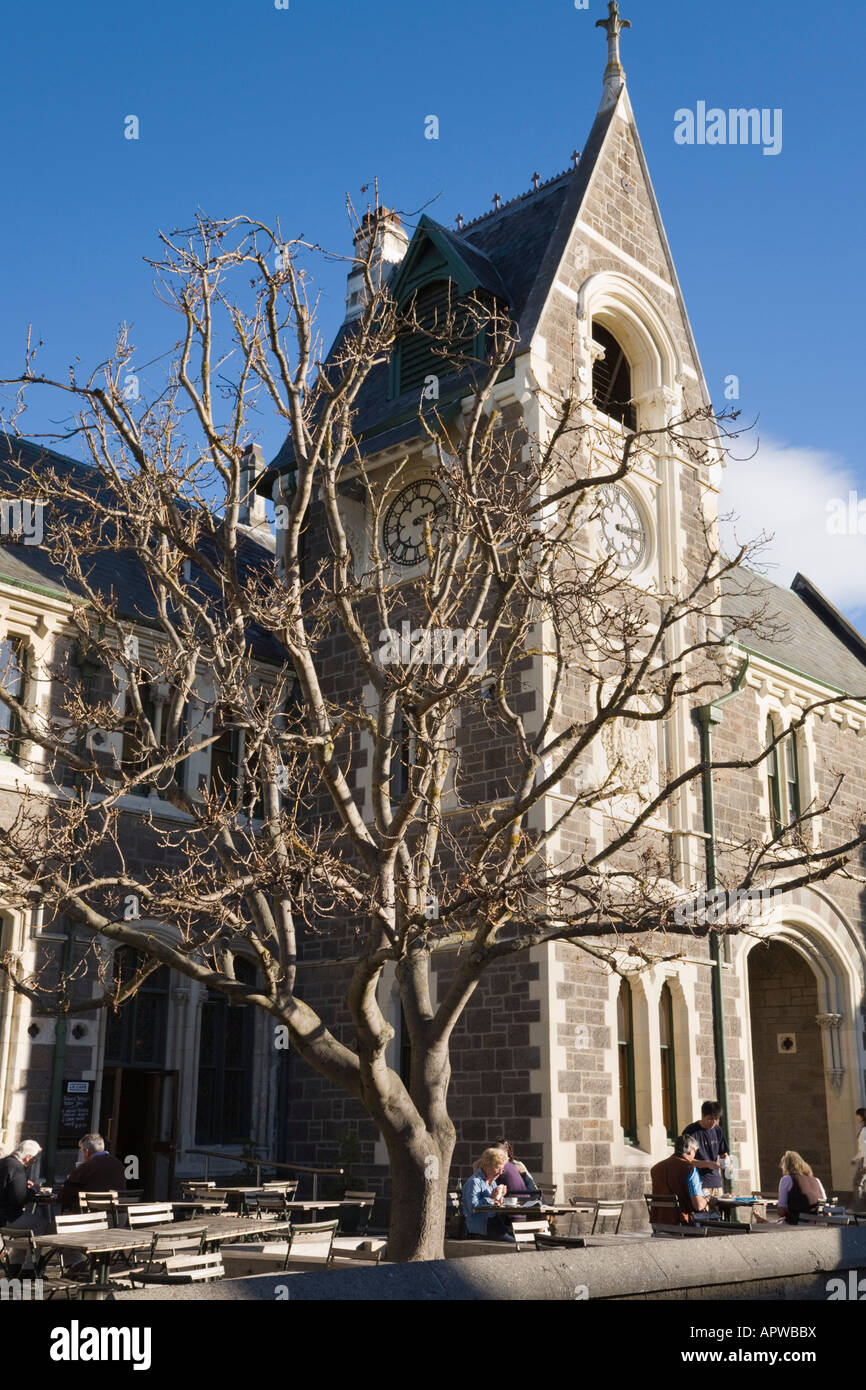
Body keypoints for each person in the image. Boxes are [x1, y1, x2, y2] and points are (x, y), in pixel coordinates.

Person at [649, 1132, 710, 1225]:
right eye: (695, 1151)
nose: (695, 1155)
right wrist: (708, 1199)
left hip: (659, 1221)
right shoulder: (690, 1169)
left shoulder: (656, 1168)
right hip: (683, 1222)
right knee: (717, 1217)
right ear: (690, 1150)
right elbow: (698, 1205)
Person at [57, 1132, 126, 1210]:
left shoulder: (87, 1166)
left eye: (82, 1151)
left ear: (86, 1151)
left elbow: (63, 1197)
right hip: (119, 1215)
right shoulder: (119, 1164)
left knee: (56, 1220)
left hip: (93, 1217)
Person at [461, 1146, 514, 1241]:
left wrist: (500, 1197)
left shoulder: (492, 1182)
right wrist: (492, 1199)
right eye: (497, 1168)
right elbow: (472, 1207)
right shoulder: (475, 1182)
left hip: (495, 1223)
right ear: (487, 1165)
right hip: (482, 1227)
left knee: (521, 1238)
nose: (500, 1173)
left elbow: (494, 1205)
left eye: (502, 1170)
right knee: (515, 1243)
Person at [683, 1101, 730, 1195]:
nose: (713, 1122)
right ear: (703, 1115)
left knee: (719, 1208)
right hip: (698, 1182)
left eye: (716, 1119)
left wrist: (726, 1161)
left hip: (716, 1183)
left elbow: (723, 1153)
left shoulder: (717, 1130)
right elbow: (685, 1159)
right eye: (710, 1119)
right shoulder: (691, 1131)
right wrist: (706, 1164)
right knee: (703, 1209)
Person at [776, 1151, 826, 1225]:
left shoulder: (787, 1179)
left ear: (786, 1166)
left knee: (773, 1225)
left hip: (798, 1221)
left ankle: (762, 1221)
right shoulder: (816, 1180)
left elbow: (781, 1212)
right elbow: (825, 1203)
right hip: (819, 1221)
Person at [0, 1139, 42, 1224]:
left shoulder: (4, 1161)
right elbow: (19, 1199)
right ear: (28, 1157)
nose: (34, 1162)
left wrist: (22, 1184)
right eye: (35, 1159)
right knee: (43, 1222)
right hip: (6, 1217)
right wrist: (34, 1189)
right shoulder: (17, 1168)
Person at [850, 1108, 866, 1208]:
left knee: (857, 1182)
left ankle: (859, 1207)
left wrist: (865, 1164)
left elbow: (865, 1148)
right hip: (862, 1159)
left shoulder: (864, 1130)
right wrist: (855, 1159)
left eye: (858, 1115)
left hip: (864, 1160)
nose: (857, 1117)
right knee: (860, 1182)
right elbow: (862, 1150)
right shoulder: (863, 1128)